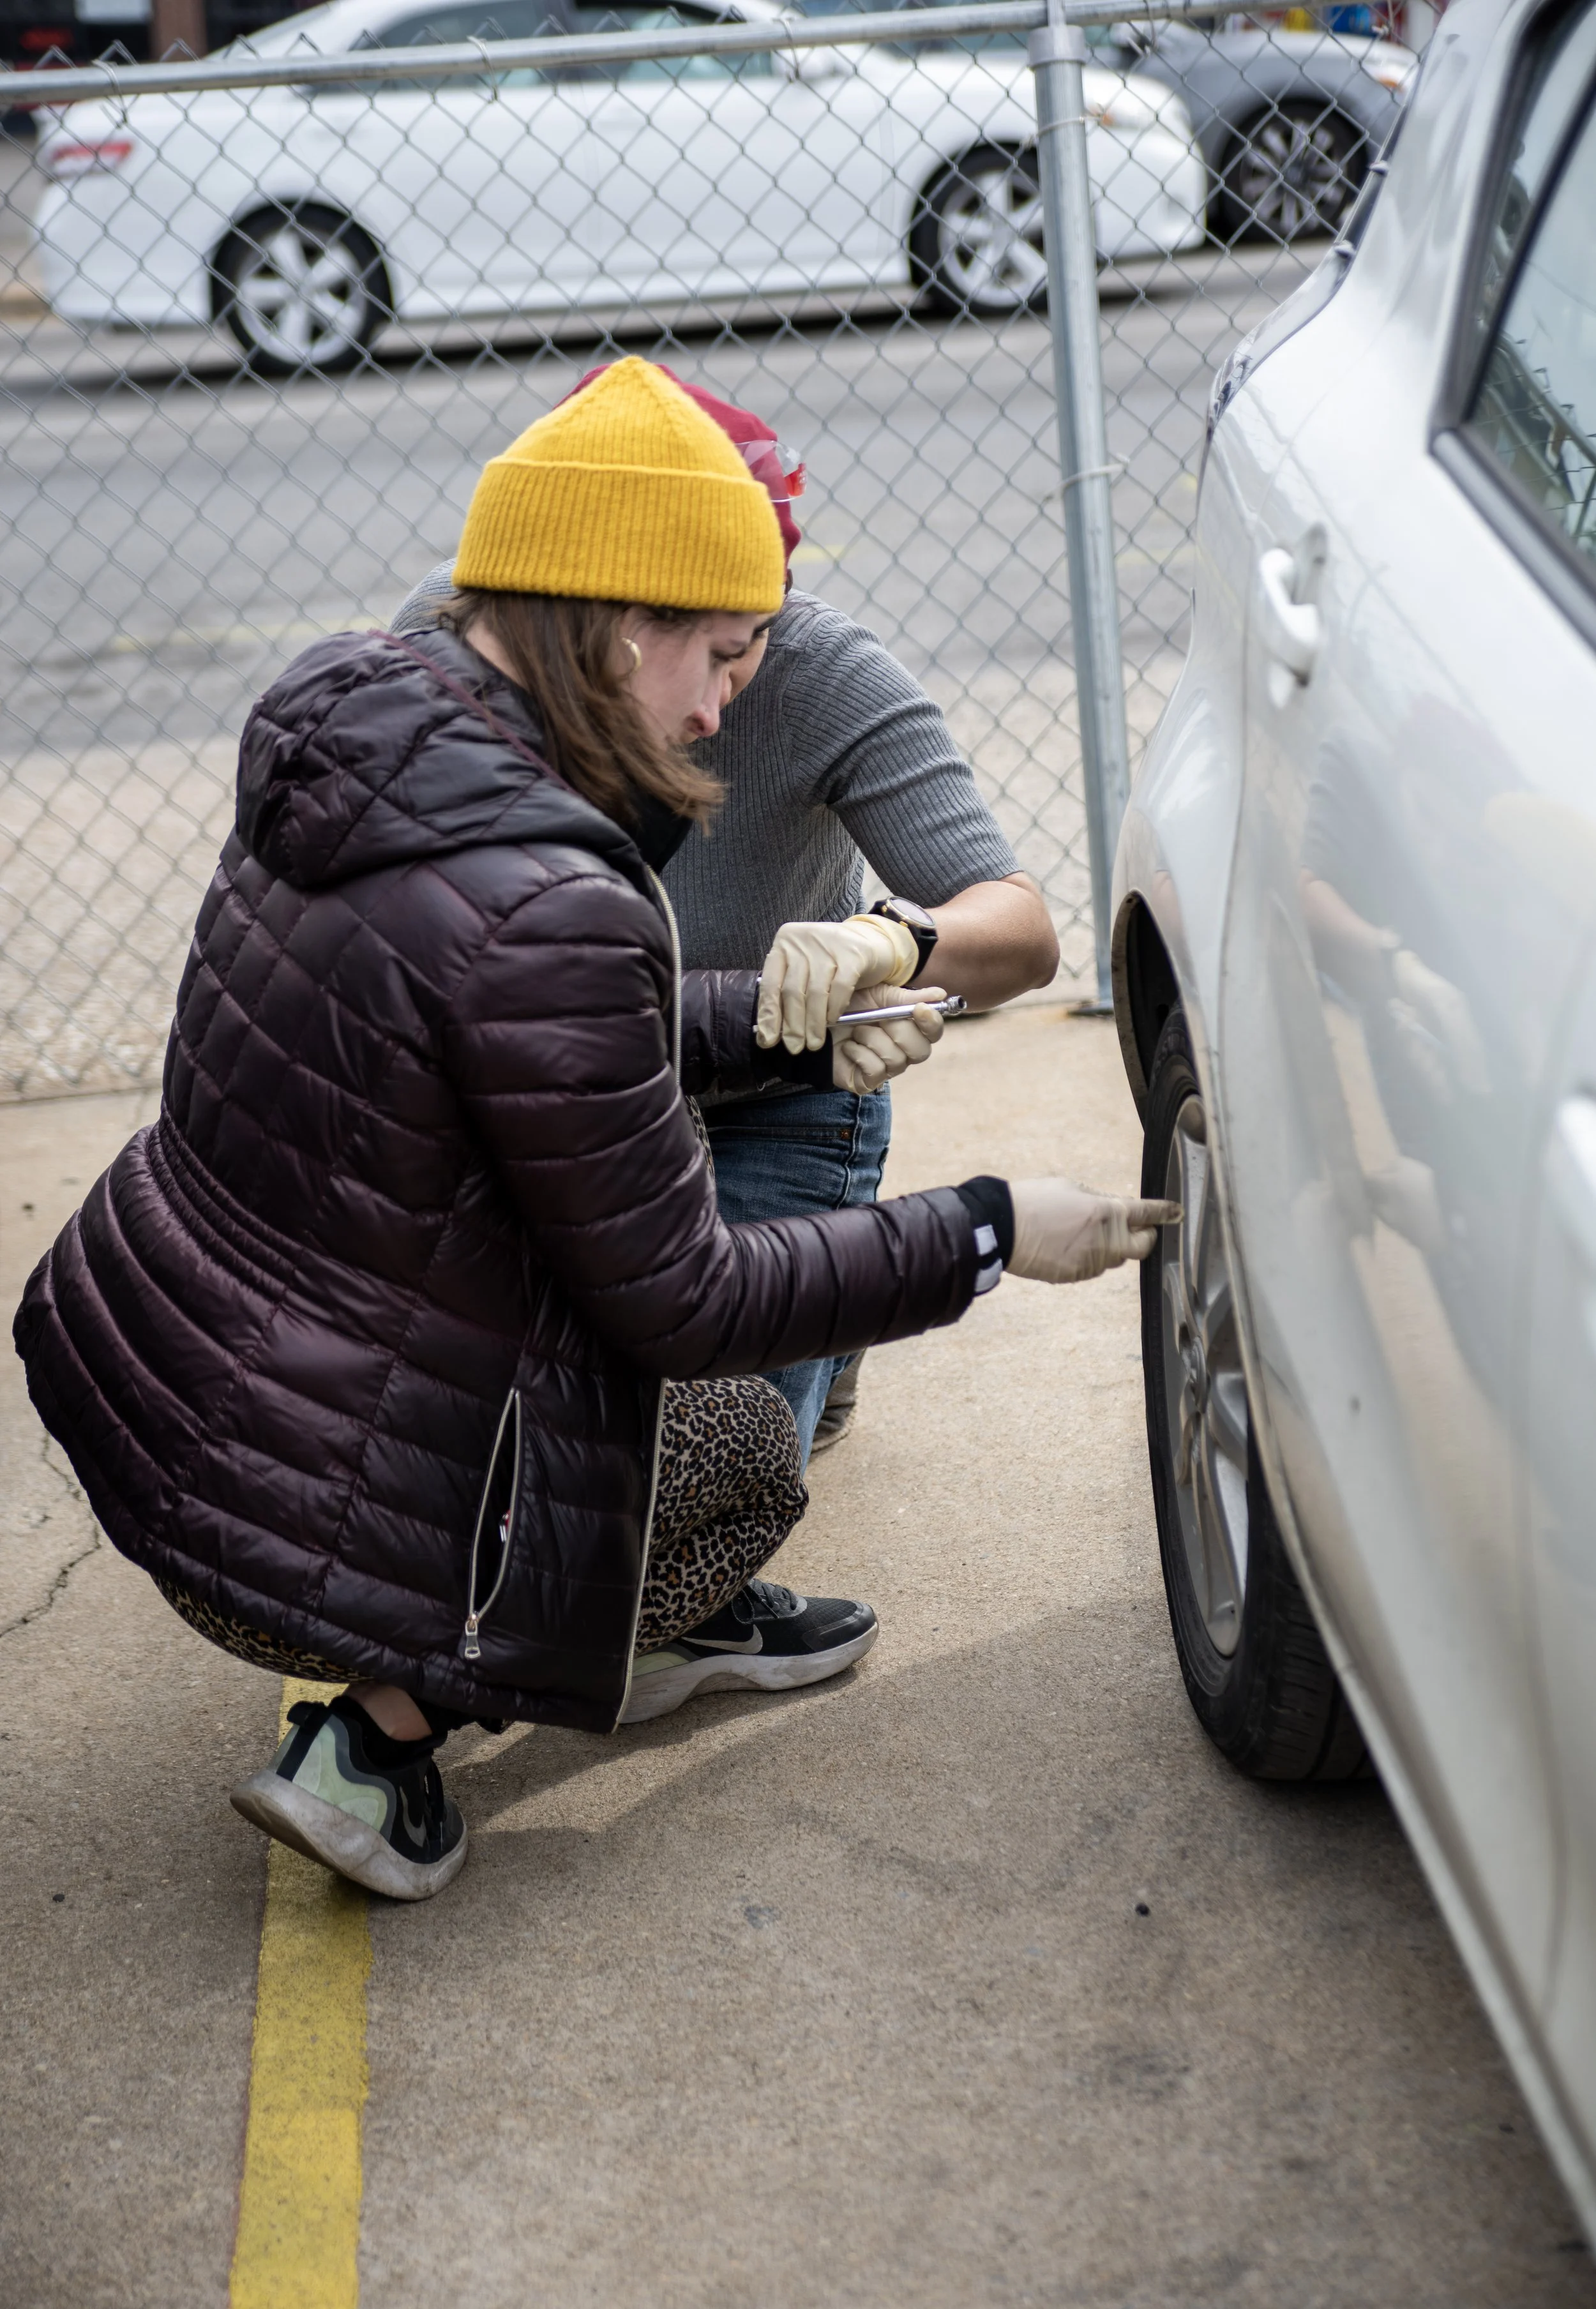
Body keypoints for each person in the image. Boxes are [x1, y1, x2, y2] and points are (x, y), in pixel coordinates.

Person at [15, 359, 1173, 1905]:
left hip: (168, 1400)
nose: (721, 708)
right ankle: (400, 1728)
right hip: (290, 1531)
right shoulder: (556, 899)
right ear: (625, 620)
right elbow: (676, 1291)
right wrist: (988, 1226)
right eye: (714, 655)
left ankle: (537, 1605)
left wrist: (835, 982)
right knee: (730, 1451)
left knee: (673, 1350)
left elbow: (518, 1010)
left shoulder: (362, 713)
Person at [393, 366, 1060, 1465]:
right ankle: (823, 1302)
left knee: (708, 1457)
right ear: (606, 605)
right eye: (705, 640)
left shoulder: (821, 671)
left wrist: (894, 938)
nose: (718, 696)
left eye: (748, 637)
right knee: (492, 1440)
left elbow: (1023, 930)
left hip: (771, 1090)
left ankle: (825, 1308)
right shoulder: (480, 627)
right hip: (550, 1080)